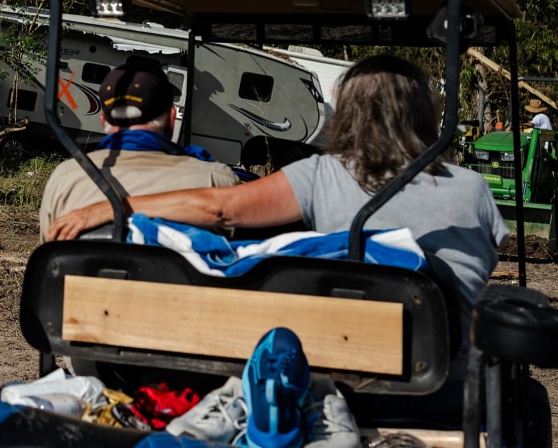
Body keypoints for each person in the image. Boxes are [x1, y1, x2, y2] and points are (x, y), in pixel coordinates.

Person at [46, 54, 507, 427]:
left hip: (339, 394)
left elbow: (220, 208)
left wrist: (113, 207)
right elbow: (482, 270)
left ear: (347, 113)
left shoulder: (320, 175)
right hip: (449, 392)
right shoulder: (474, 190)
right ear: (426, 114)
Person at [38, 57, 240, 241]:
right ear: (172, 118)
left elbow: (48, 251)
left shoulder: (65, 180)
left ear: (103, 120)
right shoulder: (217, 182)